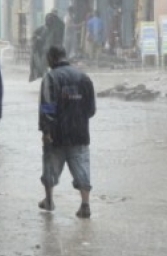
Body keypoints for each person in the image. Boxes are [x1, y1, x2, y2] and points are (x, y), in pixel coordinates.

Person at [39, 45, 96, 219]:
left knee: (50, 168)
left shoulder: (50, 78)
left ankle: (49, 200)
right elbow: (91, 110)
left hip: (57, 134)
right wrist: (77, 118)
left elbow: (47, 107)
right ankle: (85, 204)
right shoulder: (84, 78)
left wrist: (46, 131)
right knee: (82, 169)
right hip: (80, 133)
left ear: (52, 59)